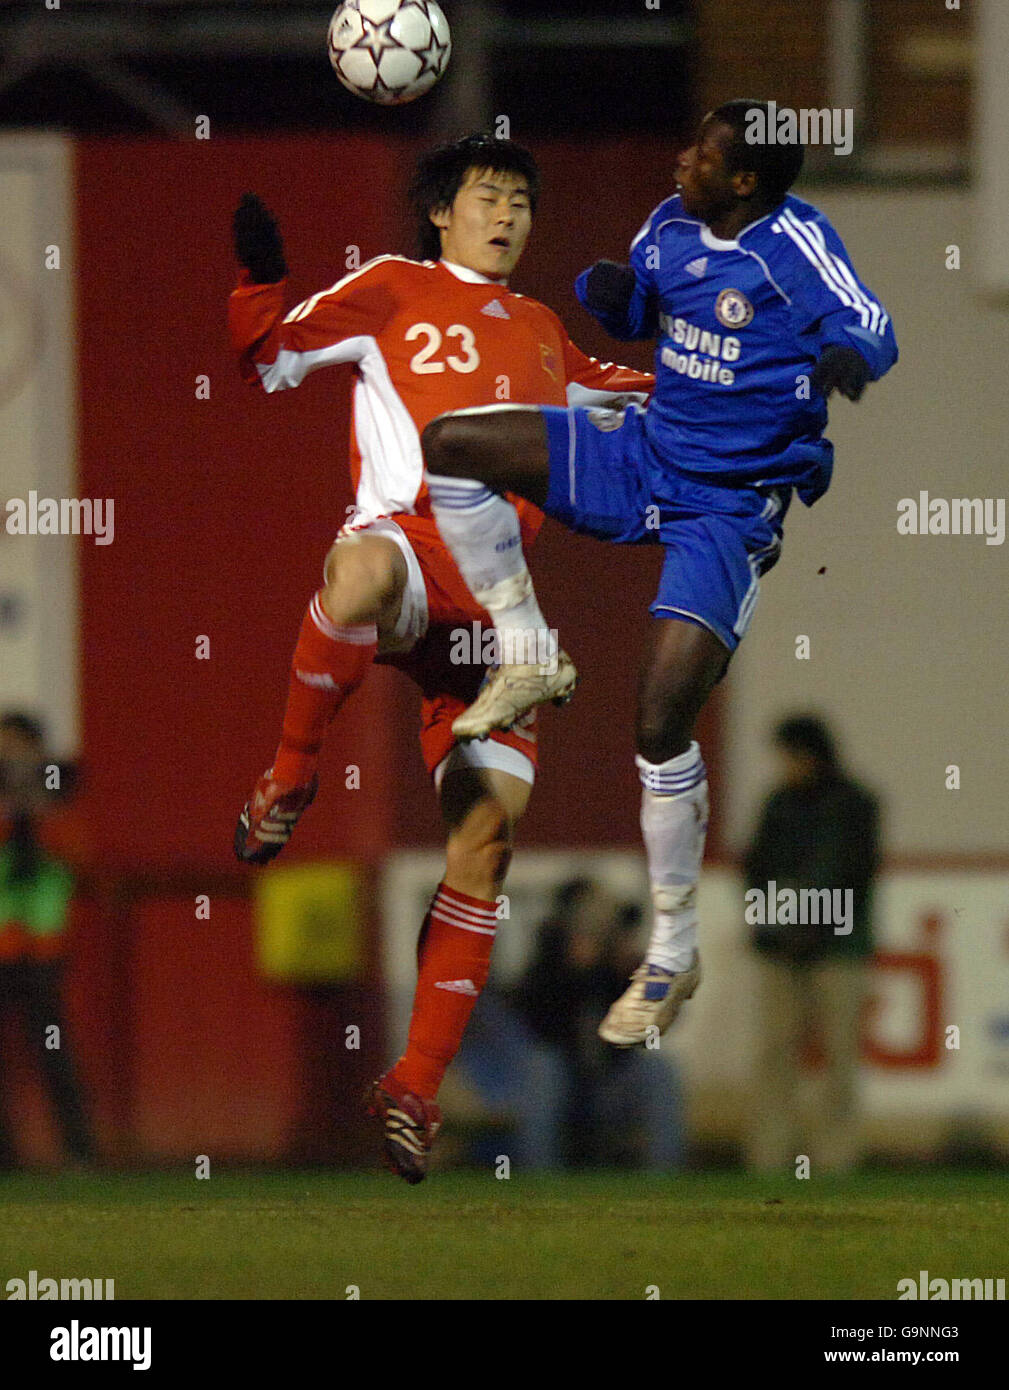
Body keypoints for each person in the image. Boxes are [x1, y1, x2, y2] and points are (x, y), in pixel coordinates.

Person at [419, 99, 898, 1050]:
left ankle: (673, 950)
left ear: (746, 181)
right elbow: (649, 303)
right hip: (644, 454)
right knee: (451, 445)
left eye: (704, 155)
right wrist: (621, 301)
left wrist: (848, 353)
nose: (682, 160)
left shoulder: (795, 244)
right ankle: (525, 650)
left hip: (728, 507)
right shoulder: (671, 220)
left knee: (657, 720)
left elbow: (873, 325)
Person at [227, 133, 653, 1182]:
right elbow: (270, 360)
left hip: (500, 627)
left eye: (519, 198)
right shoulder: (392, 288)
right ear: (440, 213)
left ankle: (414, 1088)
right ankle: (289, 777)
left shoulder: (548, 332)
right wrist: (256, 281)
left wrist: (747, 378)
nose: (505, 214)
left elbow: (632, 395)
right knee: (357, 575)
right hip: (411, 556)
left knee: (485, 849)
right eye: (486, 195)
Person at [744, 714, 880, 1173]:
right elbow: (756, 869)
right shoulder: (778, 804)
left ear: (811, 754)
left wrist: (806, 922)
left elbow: (855, 874)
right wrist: (772, 925)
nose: (785, 765)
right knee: (776, 1050)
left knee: (839, 1051)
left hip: (837, 948)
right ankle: (769, 1154)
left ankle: (836, 1157)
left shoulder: (856, 805)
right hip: (785, 948)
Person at [0, 712, 93, 1168]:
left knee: (54, 1051)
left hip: (41, 948)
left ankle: (79, 1151)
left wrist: (33, 813)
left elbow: (71, 856)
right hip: (1, 944)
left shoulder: (57, 803)